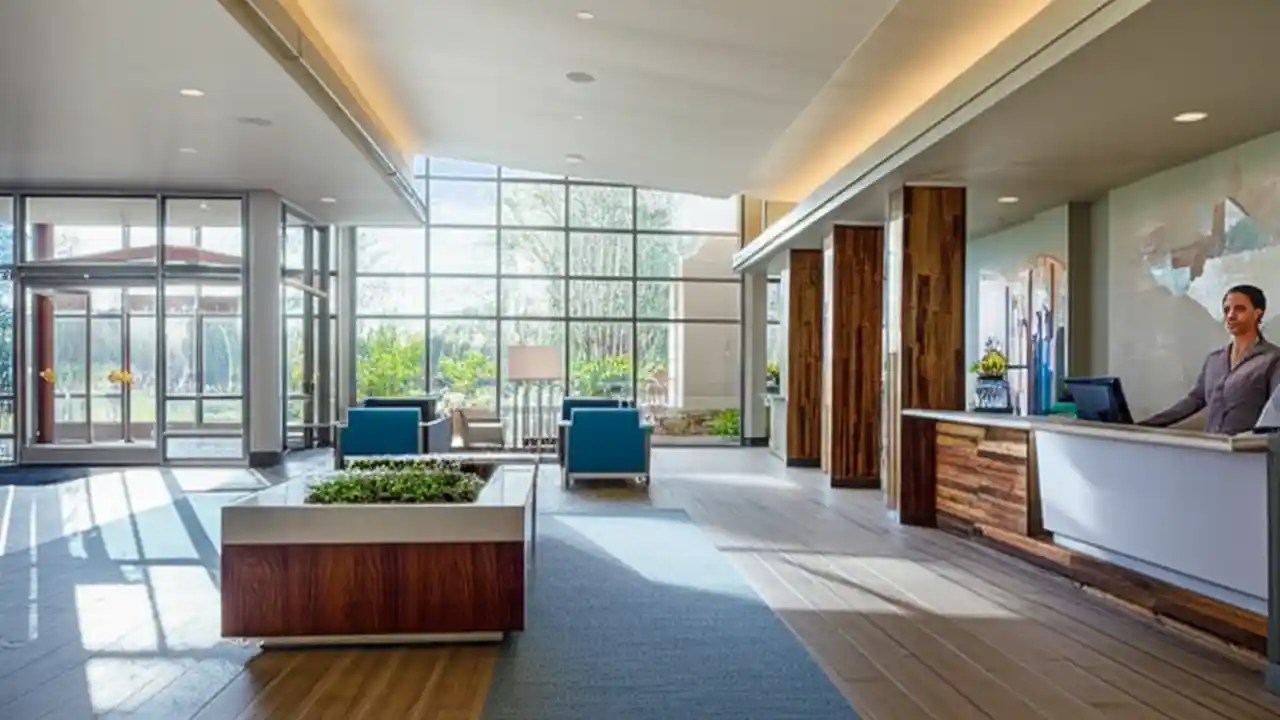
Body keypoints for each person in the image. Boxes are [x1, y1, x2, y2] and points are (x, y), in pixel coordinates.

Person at [1141, 284, 1280, 434]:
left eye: (1239, 309)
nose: (1231, 315)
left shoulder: (1272, 359)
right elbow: (1193, 401)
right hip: (1212, 448)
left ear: (1257, 314)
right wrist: (1146, 425)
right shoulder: (1215, 360)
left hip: (1249, 452)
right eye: (1227, 310)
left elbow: (1275, 415)